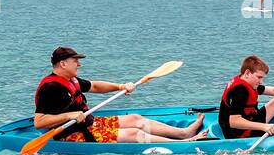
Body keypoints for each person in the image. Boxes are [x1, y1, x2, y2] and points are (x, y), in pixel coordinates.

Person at [33, 47, 206, 144]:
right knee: (132, 134)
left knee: (135, 119)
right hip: (70, 134)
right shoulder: (51, 87)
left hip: (89, 123)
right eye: (75, 61)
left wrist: (121, 86)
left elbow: (95, 85)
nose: (79, 64)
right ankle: (183, 144)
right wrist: (70, 115)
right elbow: (39, 122)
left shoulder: (72, 79)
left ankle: (183, 133)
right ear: (63, 64)